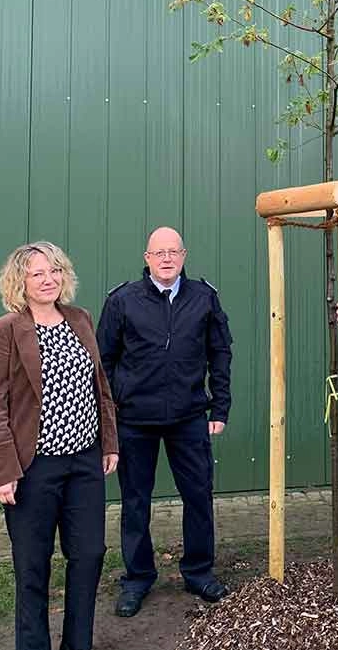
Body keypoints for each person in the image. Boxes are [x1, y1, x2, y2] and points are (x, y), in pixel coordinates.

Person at [0, 241, 119, 650]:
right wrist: (3, 471)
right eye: (37, 273)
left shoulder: (81, 319)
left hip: (84, 464)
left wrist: (108, 441)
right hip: (33, 468)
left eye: (55, 271)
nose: (48, 279)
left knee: (90, 556)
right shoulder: (5, 330)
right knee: (32, 568)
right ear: (19, 281)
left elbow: (101, 387)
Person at [97, 226, 233, 617]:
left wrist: (219, 408)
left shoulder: (204, 298)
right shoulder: (122, 301)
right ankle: (138, 578)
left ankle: (198, 572)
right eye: (159, 253)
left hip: (189, 416)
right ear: (147, 258)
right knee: (135, 502)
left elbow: (220, 353)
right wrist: (109, 417)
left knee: (198, 496)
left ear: (184, 255)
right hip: (134, 420)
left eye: (173, 252)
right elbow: (103, 363)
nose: (167, 259)